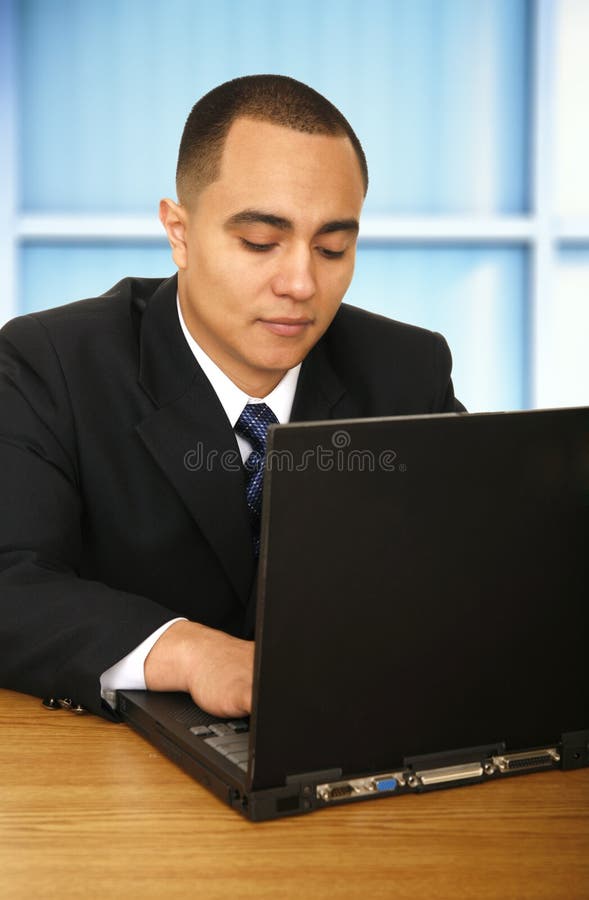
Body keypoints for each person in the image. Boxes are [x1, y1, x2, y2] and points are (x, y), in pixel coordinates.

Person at [0, 74, 464, 722]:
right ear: (179, 233)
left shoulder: (405, 370)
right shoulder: (50, 363)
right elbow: (9, 580)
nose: (300, 282)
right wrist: (188, 652)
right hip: (118, 782)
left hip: (342, 746)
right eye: (259, 243)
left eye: (332, 247)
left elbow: (476, 569)